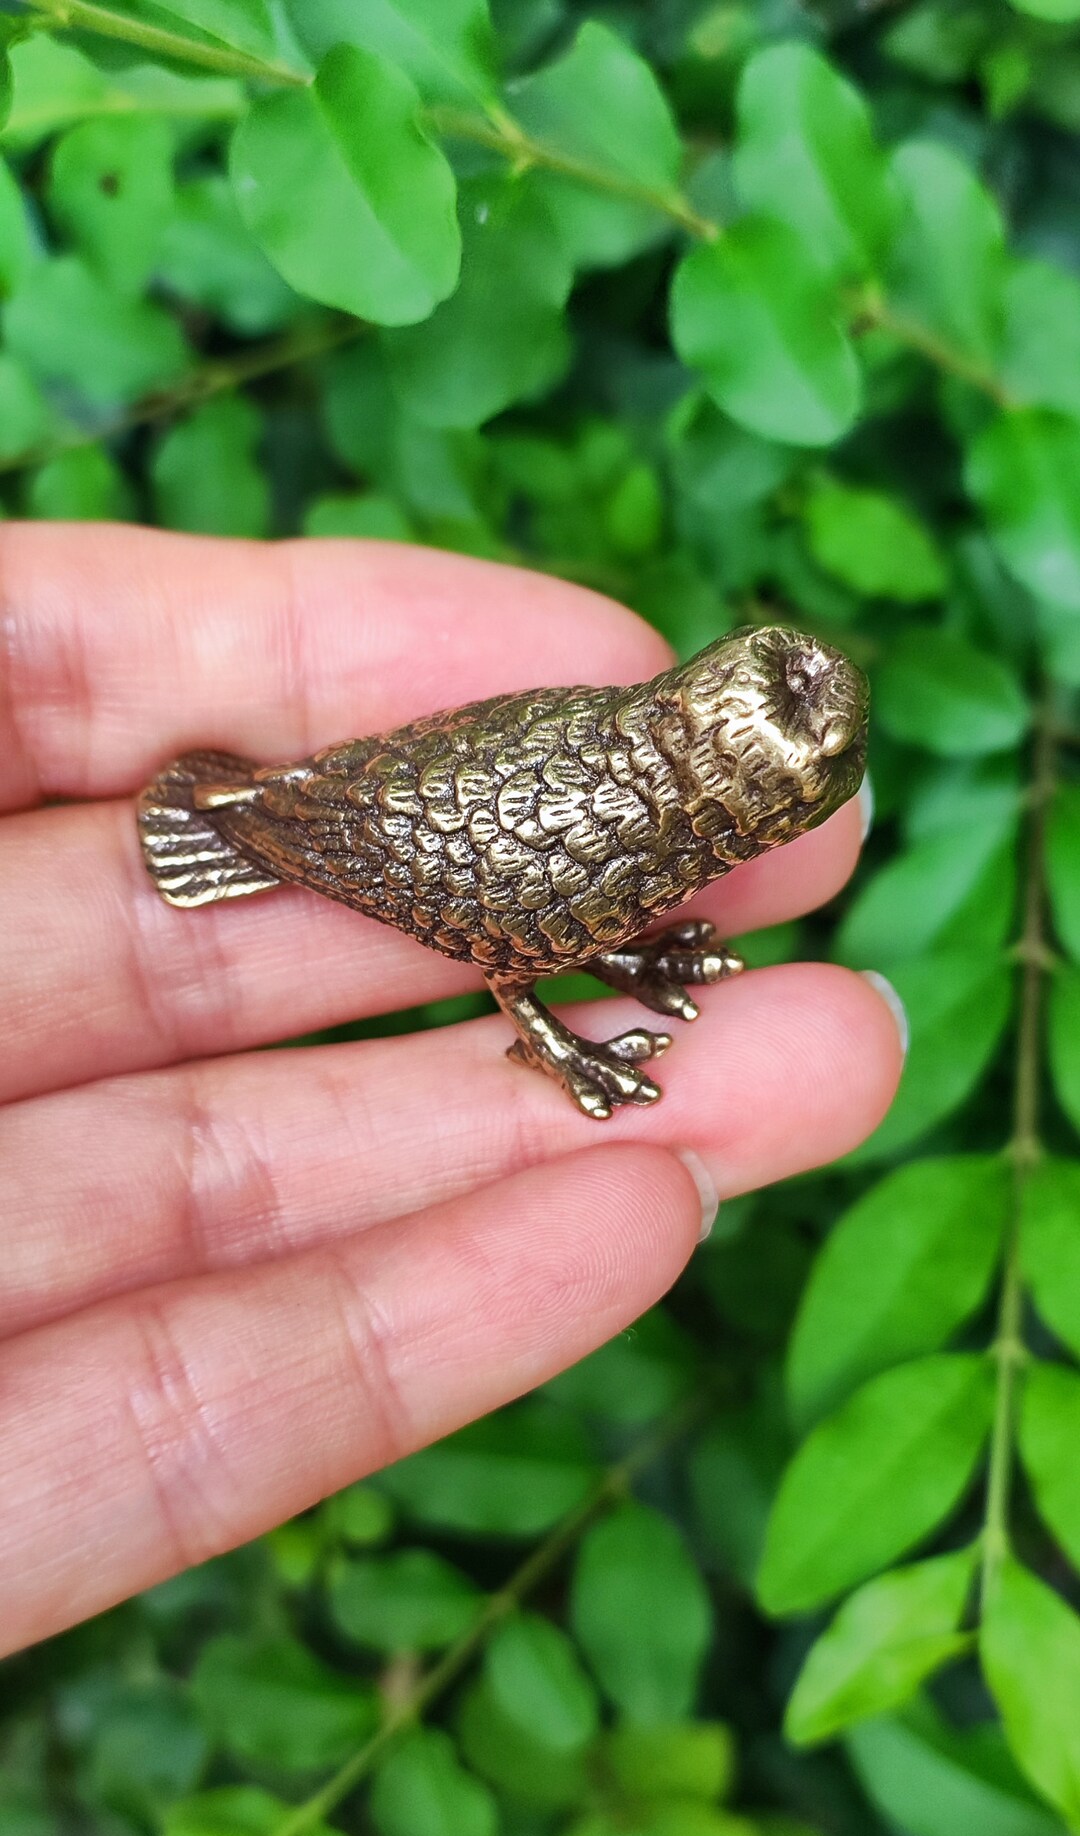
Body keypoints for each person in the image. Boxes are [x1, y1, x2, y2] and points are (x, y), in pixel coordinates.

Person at [0, 523, 905, 1654]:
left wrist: (619, 947)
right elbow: (494, 920)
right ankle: (277, 848)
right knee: (531, 926)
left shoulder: (627, 760)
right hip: (359, 839)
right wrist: (548, 1027)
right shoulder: (619, 822)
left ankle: (554, 942)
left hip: (390, 817)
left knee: (578, 907)